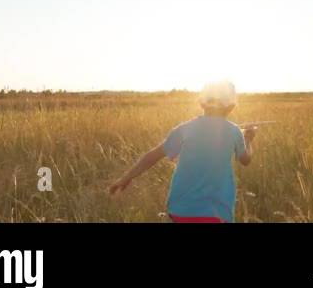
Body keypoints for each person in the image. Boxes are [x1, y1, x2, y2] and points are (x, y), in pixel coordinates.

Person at [108, 80, 256, 223]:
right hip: (217, 213)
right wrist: (248, 140)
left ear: (201, 102)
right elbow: (245, 160)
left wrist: (126, 178)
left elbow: (153, 156)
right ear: (231, 106)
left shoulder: (185, 129)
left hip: (180, 211)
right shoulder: (234, 131)